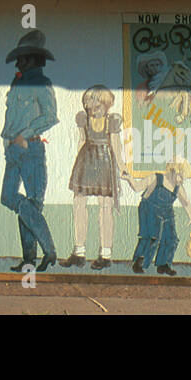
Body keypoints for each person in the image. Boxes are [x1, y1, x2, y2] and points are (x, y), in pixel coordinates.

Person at [0, 29, 59, 272]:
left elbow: (50, 116)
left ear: (34, 59)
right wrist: (9, 142)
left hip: (31, 147)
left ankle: (37, 256)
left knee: (31, 203)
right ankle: (40, 255)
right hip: (13, 149)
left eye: (23, 58)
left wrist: (23, 136)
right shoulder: (18, 81)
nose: (18, 62)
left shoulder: (41, 83)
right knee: (9, 198)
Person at [60, 85, 126, 270]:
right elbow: (82, 141)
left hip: (105, 162)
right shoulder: (83, 119)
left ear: (106, 105)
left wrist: (122, 168)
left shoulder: (112, 121)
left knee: (105, 207)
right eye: (89, 108)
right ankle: (79, 252)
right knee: (79, 203)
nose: (93, 111)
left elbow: (116, 145)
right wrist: (77, 167)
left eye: (97, 107)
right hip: (86, 161)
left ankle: (105, 254)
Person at [129, 156, 191, 275]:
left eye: (184, 178)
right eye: (181, 177)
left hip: (166, 211)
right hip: (149, 209)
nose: (181, 181)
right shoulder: (156, 178)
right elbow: (137, 187)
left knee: (171, 238)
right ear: (173, 171)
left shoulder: (178, 187)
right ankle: (139, 261)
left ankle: (164, 264)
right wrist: (129, 178)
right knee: (152, 237)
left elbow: (186, 203)